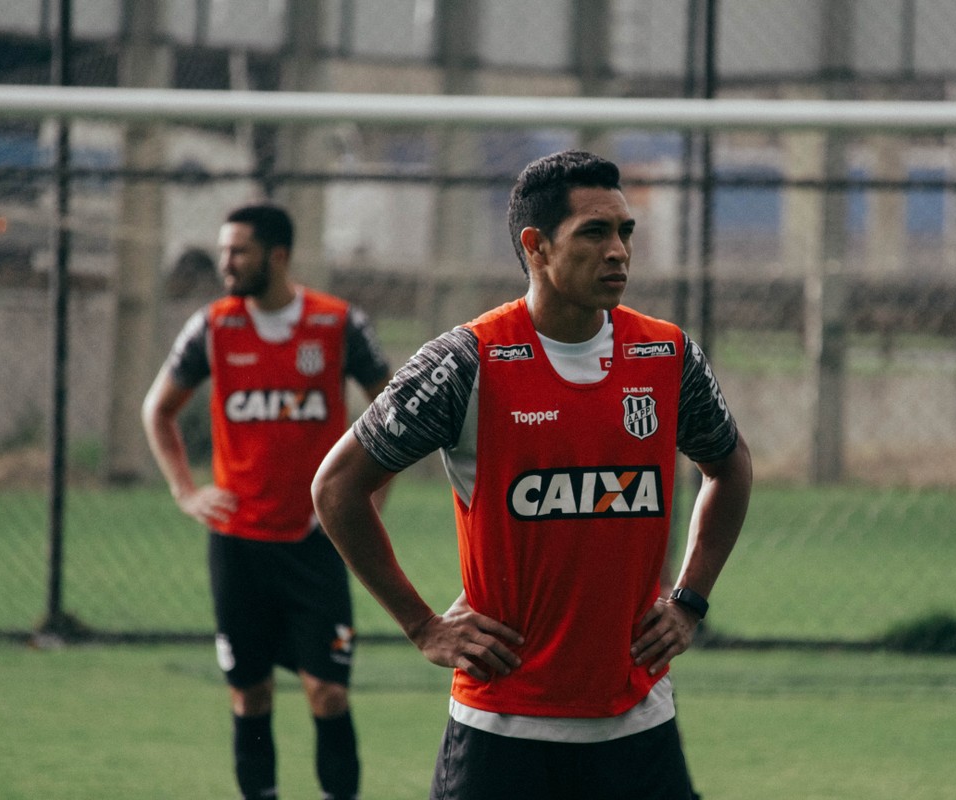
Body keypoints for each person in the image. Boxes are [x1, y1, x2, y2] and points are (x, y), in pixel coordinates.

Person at [312, 149, 752, 800]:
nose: (618, 252)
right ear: (537, 246)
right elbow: (336, 488)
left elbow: (730, 467)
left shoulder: (666, 354)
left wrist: (689, 601)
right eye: (594, 233)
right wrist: (422, 624)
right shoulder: (468, 361)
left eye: (625, 232)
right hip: (501, 726)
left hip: (636, 720)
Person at [141, 203, 391, 800]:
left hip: (314, 542)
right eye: (224, 252)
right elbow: (158, 410)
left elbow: (392, 409)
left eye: (238, 252)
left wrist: (369, 499)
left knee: (327, 693)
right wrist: (186, 491)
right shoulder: (214, 327)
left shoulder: (336, 325)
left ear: (277, 256)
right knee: (249, 694)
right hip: (239, 546)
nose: (225, 263)